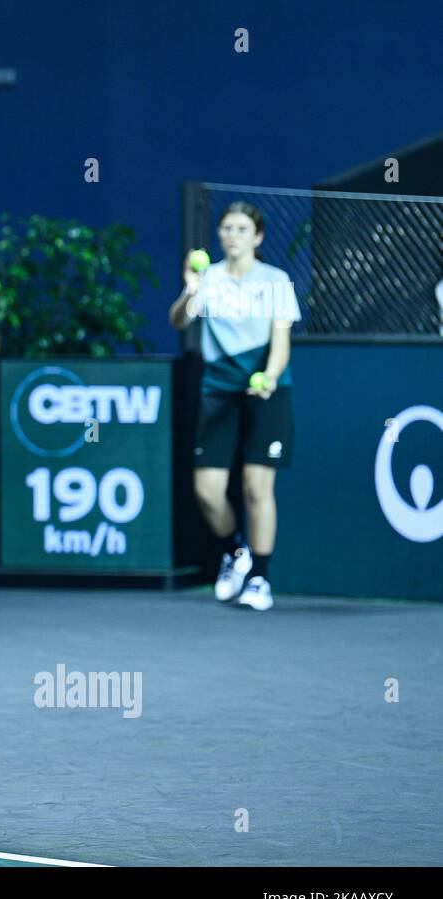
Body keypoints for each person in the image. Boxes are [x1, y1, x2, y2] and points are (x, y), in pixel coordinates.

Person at [169, 201, 299, 612]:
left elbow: (281, 340)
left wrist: (271, 376)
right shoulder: (208, 280)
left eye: (242, 229)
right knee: (207, 491)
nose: (232, 235)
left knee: (255, 488)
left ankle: (259, 577)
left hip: (266, 392)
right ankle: (235, 552)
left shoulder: (276, 280)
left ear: (257, 237)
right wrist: (191, 287)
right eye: (226, 228)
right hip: (218, 391)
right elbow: (178, 321)